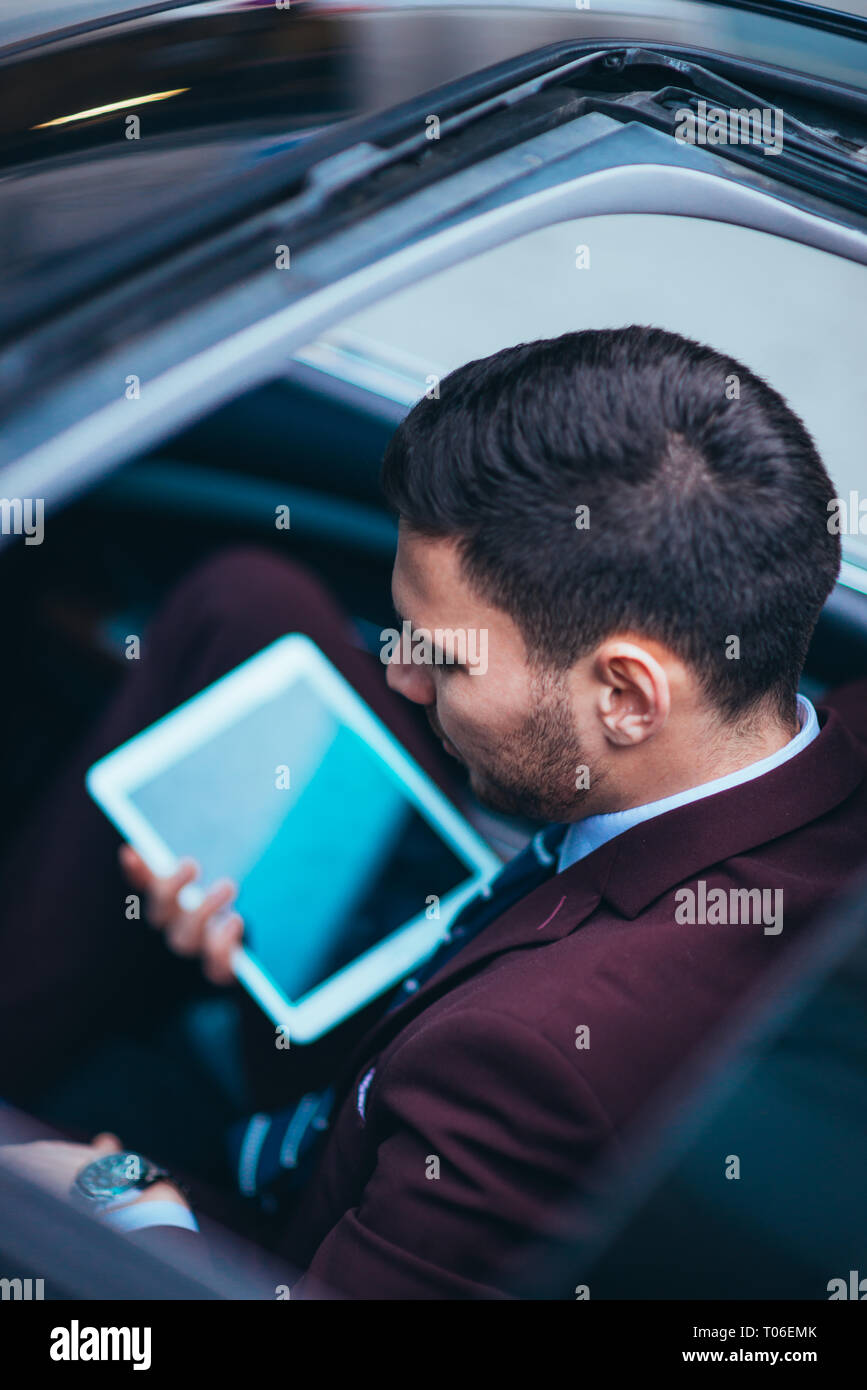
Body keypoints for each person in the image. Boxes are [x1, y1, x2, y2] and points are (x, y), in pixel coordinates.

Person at [2, 325, 866, 1299]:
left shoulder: (529, 1069)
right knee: (248, 603)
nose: (399, 673)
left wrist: (115, 1190)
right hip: (399, 1019)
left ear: (628, 695)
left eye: (444, 657)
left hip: (271, 1208)